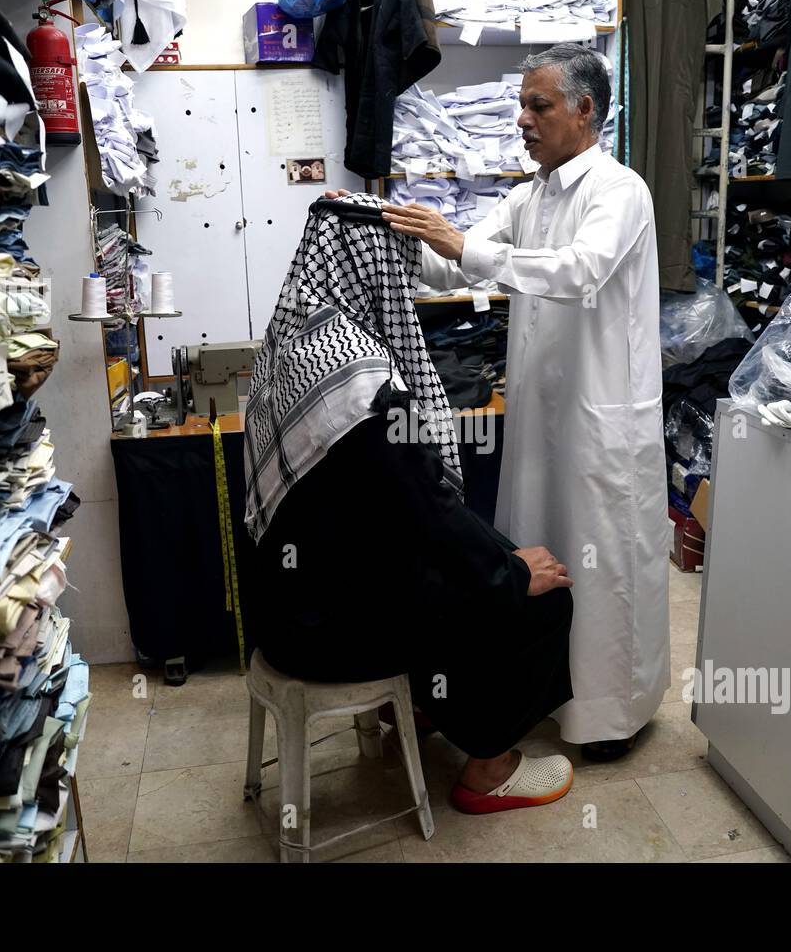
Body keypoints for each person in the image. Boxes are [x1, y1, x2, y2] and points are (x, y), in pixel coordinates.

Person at [378, 44, 670, 761]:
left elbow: (581, 271)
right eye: (522, 106)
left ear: (584, 110)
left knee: (604, 567)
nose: (523, 121)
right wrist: (402, 234)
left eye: (538, 106)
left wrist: (463, 247)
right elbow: (464, 256)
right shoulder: (531, 194)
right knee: (539, 551)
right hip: (543, 418)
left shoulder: (618, 190)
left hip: (603, 418)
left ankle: (609, 716)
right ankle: (542, 695)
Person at [244, 193, 578, 812]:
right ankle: (490, 767)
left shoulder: (289, 342)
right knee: (539, 598)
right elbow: (429, 509)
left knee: (473, 563)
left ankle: (425, 708)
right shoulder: (361, 380)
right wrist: (510, 575)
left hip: (283, 604)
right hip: (328, 628)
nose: (403, 280)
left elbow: (401, 502)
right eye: (398, 264)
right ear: (374, 266)